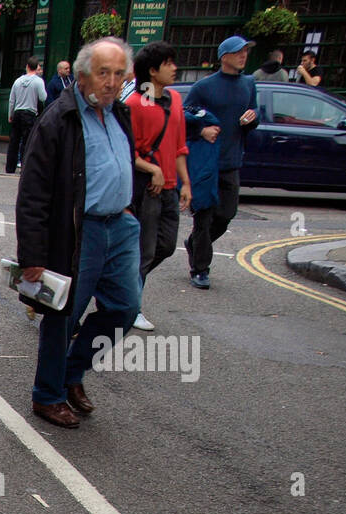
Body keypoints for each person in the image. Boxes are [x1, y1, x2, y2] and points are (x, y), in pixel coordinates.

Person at [16, 37, 140, 429]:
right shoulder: (59, 119)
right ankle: (48, 396)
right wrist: (33, 257)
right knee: (63, 315)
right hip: (78, 231)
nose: (111, 81)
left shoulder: (119, 113)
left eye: (119, 74)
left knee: (125, 309)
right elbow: (33, 191)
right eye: (104, 73)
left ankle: (71, 371)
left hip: (119, 227)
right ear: (84, 75)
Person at [184, 35, 257, 289]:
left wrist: (252, 118)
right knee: (203, 219)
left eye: (246, 52)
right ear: (224, 56)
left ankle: (194, 245)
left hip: (231, 161)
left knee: (226, 215)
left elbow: (254, 114)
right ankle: (200, 269)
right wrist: (201, 131)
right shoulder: (204, 87)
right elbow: (184, 116)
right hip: (206, 162)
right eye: (239, 52)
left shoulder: (249, 84)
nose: (243, 56)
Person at [129, 40, 190, 332]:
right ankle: (132, 306)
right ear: (153, 71)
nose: (175, 68)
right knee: (145, 251)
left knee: (165, 246)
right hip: (148, 189)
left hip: (170, 187)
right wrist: (151, 168)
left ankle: (122, 284)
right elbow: (127, 152)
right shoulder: (134, 104)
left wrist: (186, 182)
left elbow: (179, 146)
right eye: (169, 63)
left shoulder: (176, 100)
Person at [5, 57, 46, 173]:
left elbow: (11, 100)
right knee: (27, 141)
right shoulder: (38, 81)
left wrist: (10, 114)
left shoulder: (17, 81)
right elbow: (43, 97)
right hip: (30, 113)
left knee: (14, 141)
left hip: (17, 113)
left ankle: (10, 168)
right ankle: (24, 167)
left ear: (27, 66)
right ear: (36, 67)